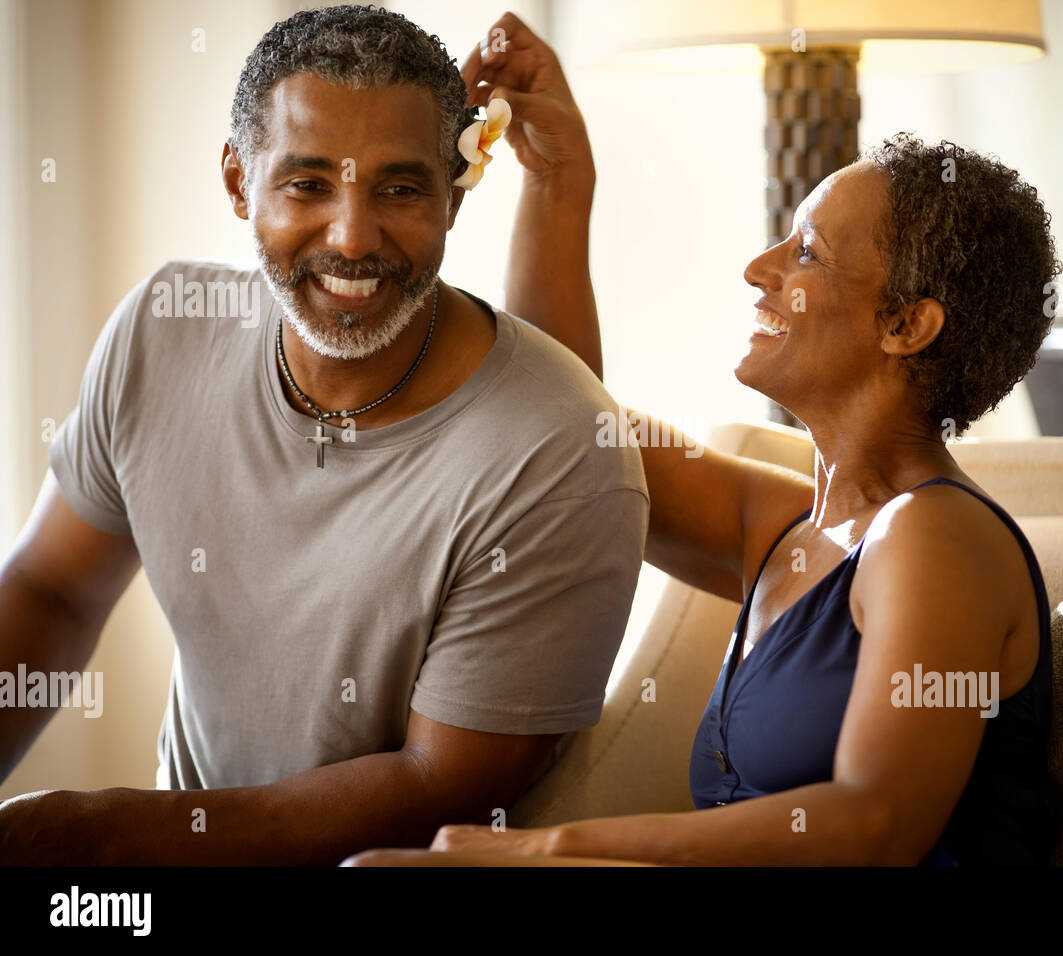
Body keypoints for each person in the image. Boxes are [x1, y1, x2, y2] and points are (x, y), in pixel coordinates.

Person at [348, 13, 1063, 867]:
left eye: (807, 252)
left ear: (907, 325)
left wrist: (544, 854)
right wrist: (557, 179)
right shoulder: (787, 529)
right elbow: (564, 431)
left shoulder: (935, 538)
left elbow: (875, 826)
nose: (759, 268)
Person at [0, 5, 647, 865]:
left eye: (400, 189)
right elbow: (52, 590)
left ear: (455, 194)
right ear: (238, 182)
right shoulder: (164, 329)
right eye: (308, 185)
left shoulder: (560, 450)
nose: (353, 238)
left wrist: (88, 832)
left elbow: (432, 787)